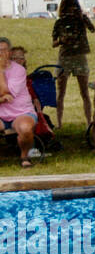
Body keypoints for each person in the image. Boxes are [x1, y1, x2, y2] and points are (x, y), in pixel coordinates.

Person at [51, 0, 95, 128]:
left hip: (80, 56)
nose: (72, 8)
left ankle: (89, 122)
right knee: (61, 92)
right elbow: (53, 43)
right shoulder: (59, 22)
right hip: (65, 57)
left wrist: (83, 18)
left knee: (84, 92)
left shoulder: (81, 19)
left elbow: (92, 29)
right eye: (69, 6)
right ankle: (59, 123)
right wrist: (60, 41)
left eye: (74, 5)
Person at [0, 38, 38, 169]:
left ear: (9, 52)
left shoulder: (19, 70)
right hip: (1, 114)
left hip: (21, 112)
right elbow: (4, 95)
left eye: (4, 50)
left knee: (25, 129)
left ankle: (24, 156)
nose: (1, 53)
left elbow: (6, 91)